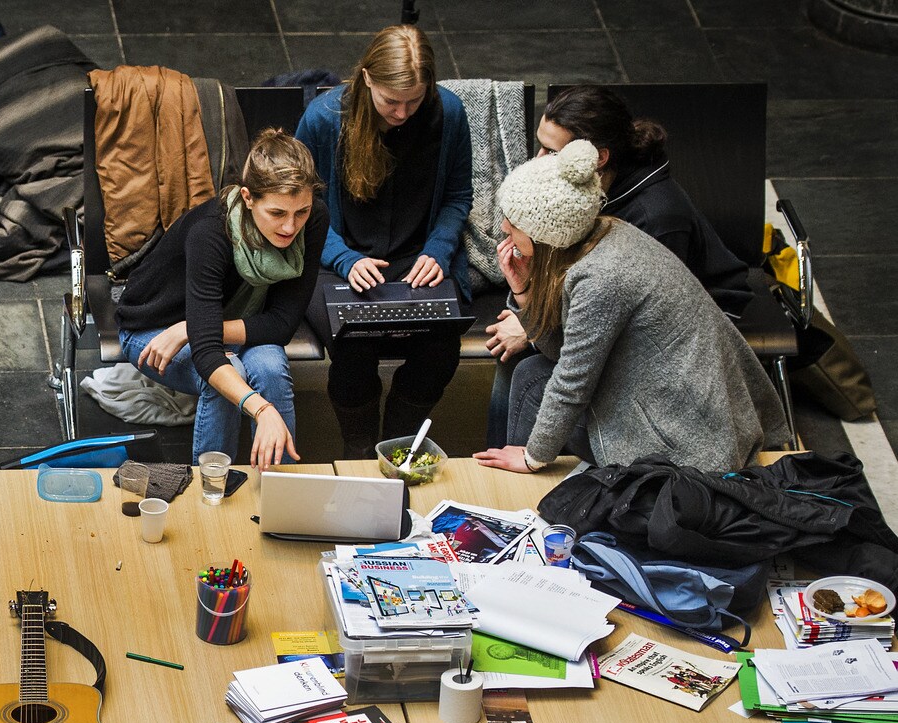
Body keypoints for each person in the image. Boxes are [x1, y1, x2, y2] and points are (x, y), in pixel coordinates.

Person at [473, 140, 786, 475]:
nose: (505, 228)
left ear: (546, 235)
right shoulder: (607, 234)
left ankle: (514, 494)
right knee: (531, 372)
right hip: (676, 403)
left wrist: (532, 457)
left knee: (535, 388)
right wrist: (523, 291)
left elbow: (572, 381)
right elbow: (560, 351)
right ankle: (510, 474)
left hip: (685, 443)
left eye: (514, 223)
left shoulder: (602, 277)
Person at [483, 85, 753, 446]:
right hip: (603, 316)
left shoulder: (653, 220)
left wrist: (533, 323)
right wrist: (529, 302)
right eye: (539, 145)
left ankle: (514, 461)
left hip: (678, 349)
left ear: (595, 158)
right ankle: (499, 457)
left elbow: (621, 328)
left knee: (530, 373)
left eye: (551, 151)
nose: (537, 161)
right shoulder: (580, 196)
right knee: (520, 363)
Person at [294, 24, 473, 458]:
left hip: (417, 255)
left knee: (441, 346)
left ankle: (397, 445)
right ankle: (359, 449)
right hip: (331, 256)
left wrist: (438, 249)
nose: (402, 113)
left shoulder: (448, 113)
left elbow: (456, 196)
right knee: (354, 342)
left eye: (414, 100)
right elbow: (301, 204)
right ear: (367, 79)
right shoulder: (324, 118)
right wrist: (343, 257)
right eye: (391, 101)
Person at [113, 129, 325, 467]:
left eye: (300, 212)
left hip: (224, 323)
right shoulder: (210, 233)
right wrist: (261, 408)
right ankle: (212, 488)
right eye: (277, 214)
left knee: (271, 367)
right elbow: (210, 355)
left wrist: (195, 328)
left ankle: (281, 490)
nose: (290, 227)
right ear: (248, 197)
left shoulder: (313, 220)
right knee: (231, 373)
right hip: (153, 326)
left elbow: (283, 323)